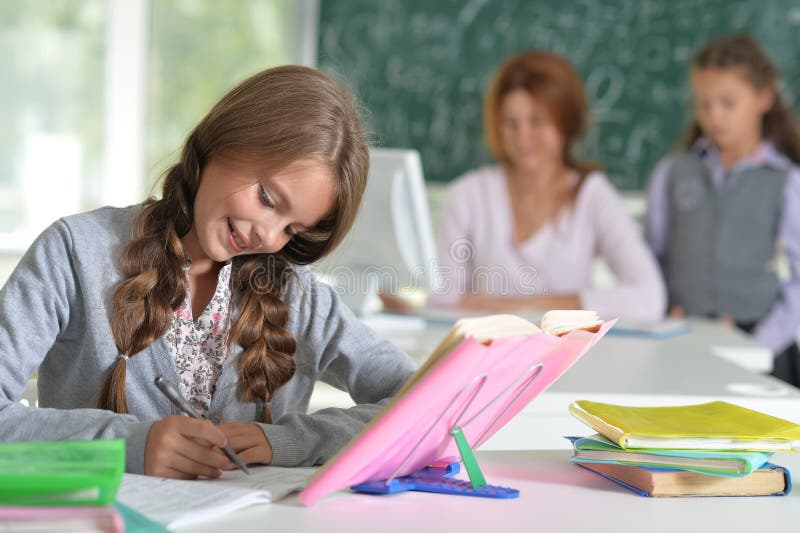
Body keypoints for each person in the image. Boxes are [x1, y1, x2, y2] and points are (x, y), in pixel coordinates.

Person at [0, 65, 417, 479]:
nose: (268, 238)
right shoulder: (75, 253)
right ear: (223, 140)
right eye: (267, 198)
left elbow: (421, 404)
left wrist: (296, 440)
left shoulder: (298, 296)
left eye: (292, 229)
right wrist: (126, 446)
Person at [428, 50, 665, 322]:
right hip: (490, 357)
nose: (522, 137)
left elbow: (649, 297)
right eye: (510, 123)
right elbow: (442, 302)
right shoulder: (467, 196)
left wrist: (527, 305)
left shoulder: (592, 195)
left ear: (565, 123)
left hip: (568, 357)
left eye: (536, 122)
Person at [644, 34, 800, 386]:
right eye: (704, 104)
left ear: (763, 98)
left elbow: (798, 285)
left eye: (728, 103)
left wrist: (755, 346)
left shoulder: (787, 180)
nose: (714, 116)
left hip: (762, 351)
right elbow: (651, 260)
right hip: (683, 343)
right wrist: (663, 318)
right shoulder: (673, 172)